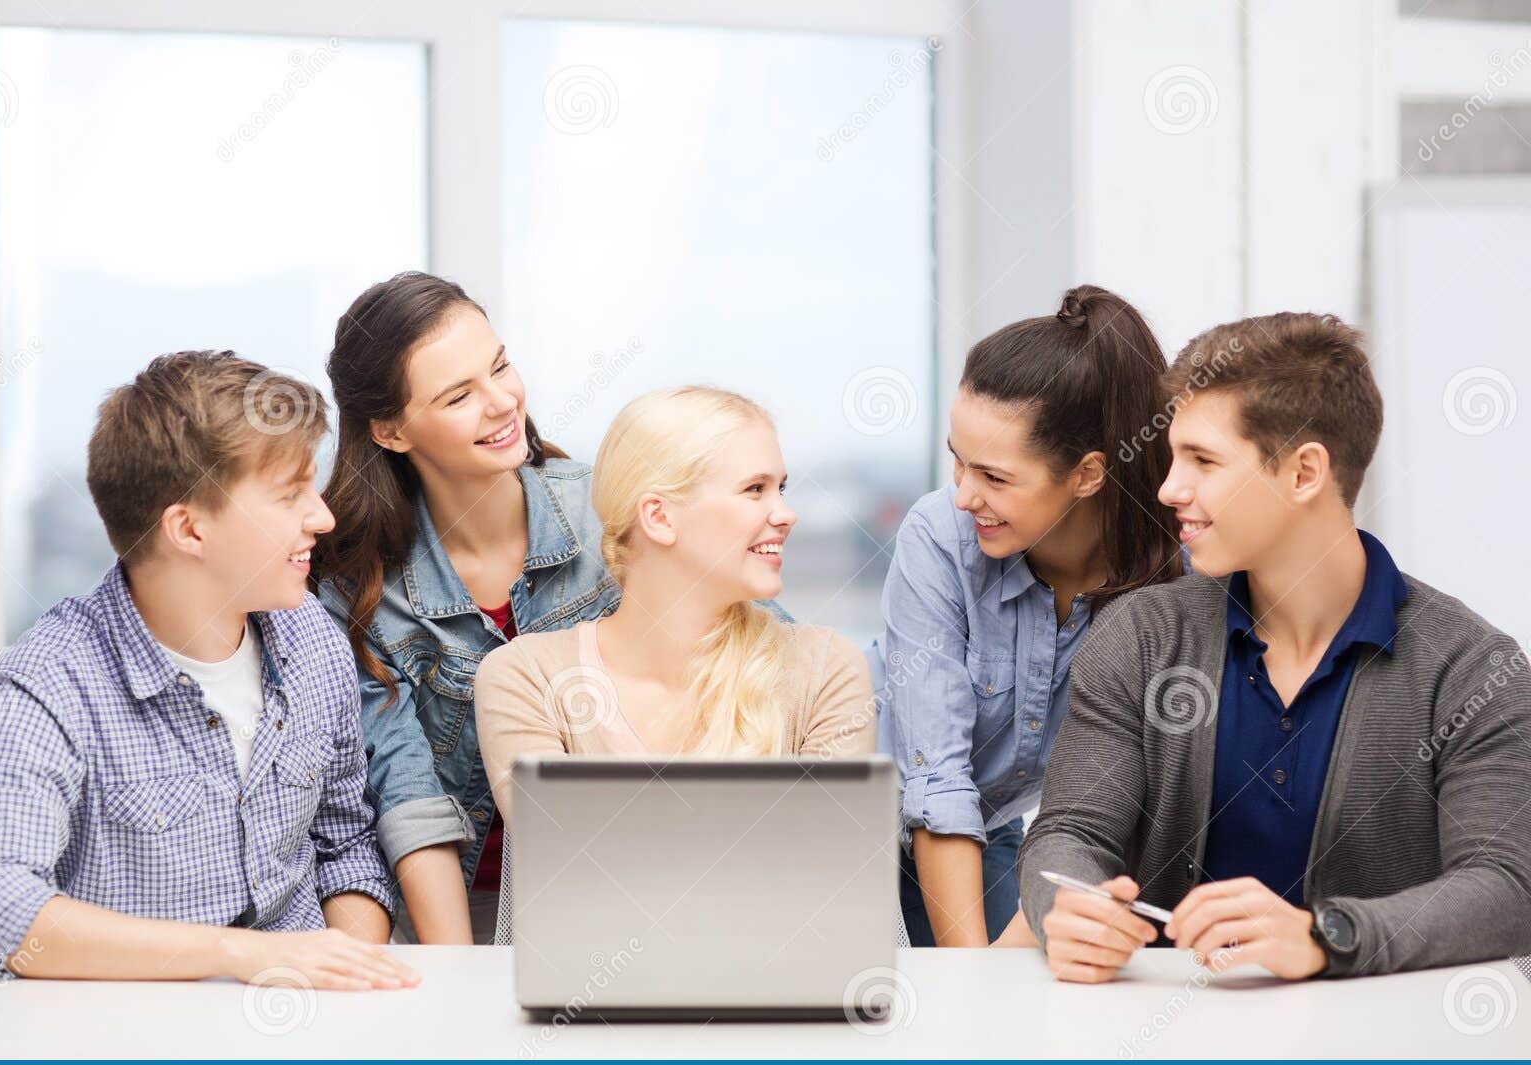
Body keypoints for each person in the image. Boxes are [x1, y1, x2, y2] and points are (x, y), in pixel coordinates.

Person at [1018, 312, 1531, 981]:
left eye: (1202, 460)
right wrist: (1071, 904)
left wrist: (1327, 937)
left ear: (1303, 473)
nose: (1169, 488)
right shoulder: (1141, 638)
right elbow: (1065, 836)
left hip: (1382, 1055)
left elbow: (1506, 891)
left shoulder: (1472, 672)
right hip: (1161, 1050)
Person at [0, 351, 417, 989]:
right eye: (289, 493)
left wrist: (341, 975)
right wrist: (240, 956)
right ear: (188, 530)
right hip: (130, 1058)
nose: (322, 517)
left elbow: (345, 848)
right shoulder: (50, 682)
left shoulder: (314, 645)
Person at [872, 285, 1182, 946]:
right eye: (956, 462)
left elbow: (1117, 809)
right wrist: (972, 981)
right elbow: (937, 777)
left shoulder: (1177, 584)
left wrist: (994, 976)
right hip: (860, 823)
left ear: (1089, 474)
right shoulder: (939, 537)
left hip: (988, 828)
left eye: (994, 477)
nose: (962, 496)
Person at [315, 272, 617, 944]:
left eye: (500, 366)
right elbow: (407, 794)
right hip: (456, 916)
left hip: (614, 900)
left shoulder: (609, 515)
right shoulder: (354, 588)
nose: (502, 402)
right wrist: (456, 979)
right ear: (392, 432)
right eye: (458, 396)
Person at [475, 386, 874, 826]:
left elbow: (827, 875)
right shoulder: (526, 679)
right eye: (754, 489)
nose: (786, 514)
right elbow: (572, 874)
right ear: (659, 517)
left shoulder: (826, 670)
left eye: (780, 488)